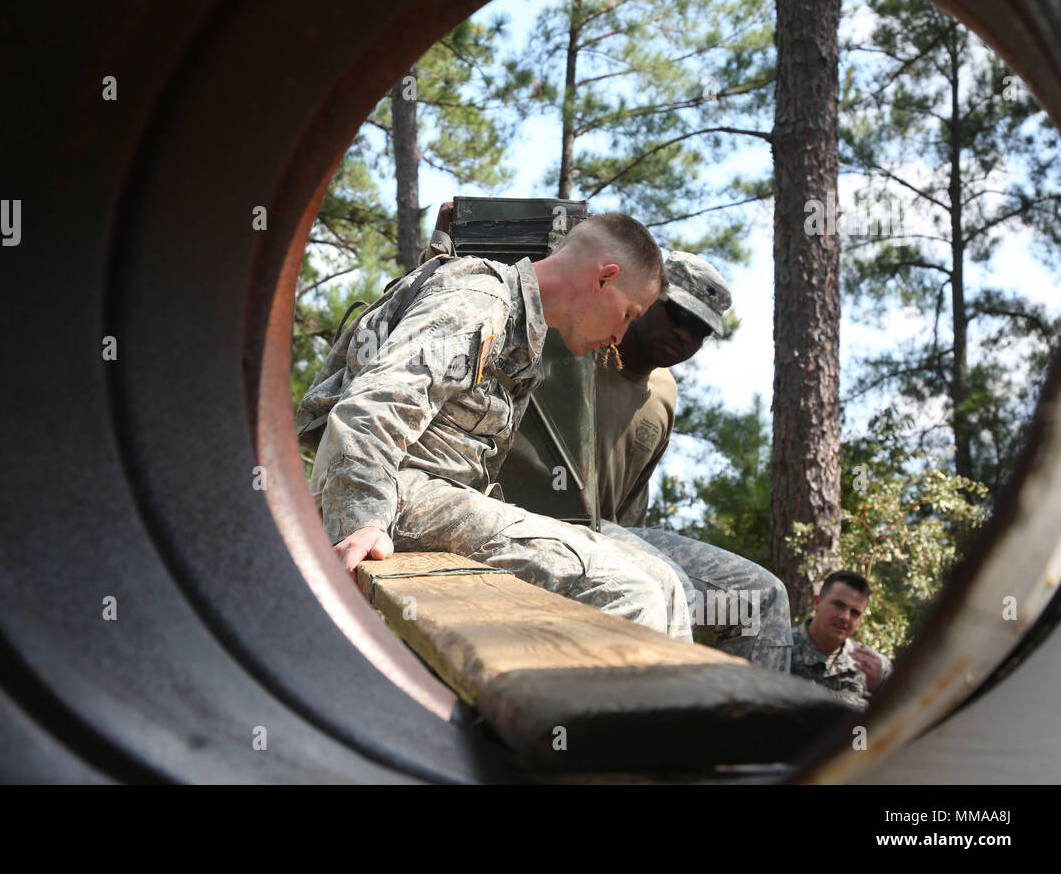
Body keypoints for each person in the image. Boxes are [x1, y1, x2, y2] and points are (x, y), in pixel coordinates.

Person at [298, 205, 693, 639]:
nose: (620, 337)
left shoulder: (520, 325)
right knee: (630, 595)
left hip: (428, 498)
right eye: (628, 314)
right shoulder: (481, 301)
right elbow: (371, 407)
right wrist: (362, 520)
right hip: (393, 494)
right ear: (603, 279)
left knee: (666, 583)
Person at [593, 251, 793, 671]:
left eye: (699, 330)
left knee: (762, 599)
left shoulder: (664, 392)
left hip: (611, 537)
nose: (684, 334)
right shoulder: (583, 343)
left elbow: (631, 502)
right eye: (677, 314)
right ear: (648, 296)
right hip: (540, 522)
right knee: (668, 585)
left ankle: (754, 731)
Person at [789, 570, 893, 709]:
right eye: (838, 605)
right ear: (816, 603)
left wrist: (878, 689)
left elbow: (897, 720)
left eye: (855, 613)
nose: (845, 617)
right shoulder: (778, 648)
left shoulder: (875, 668)